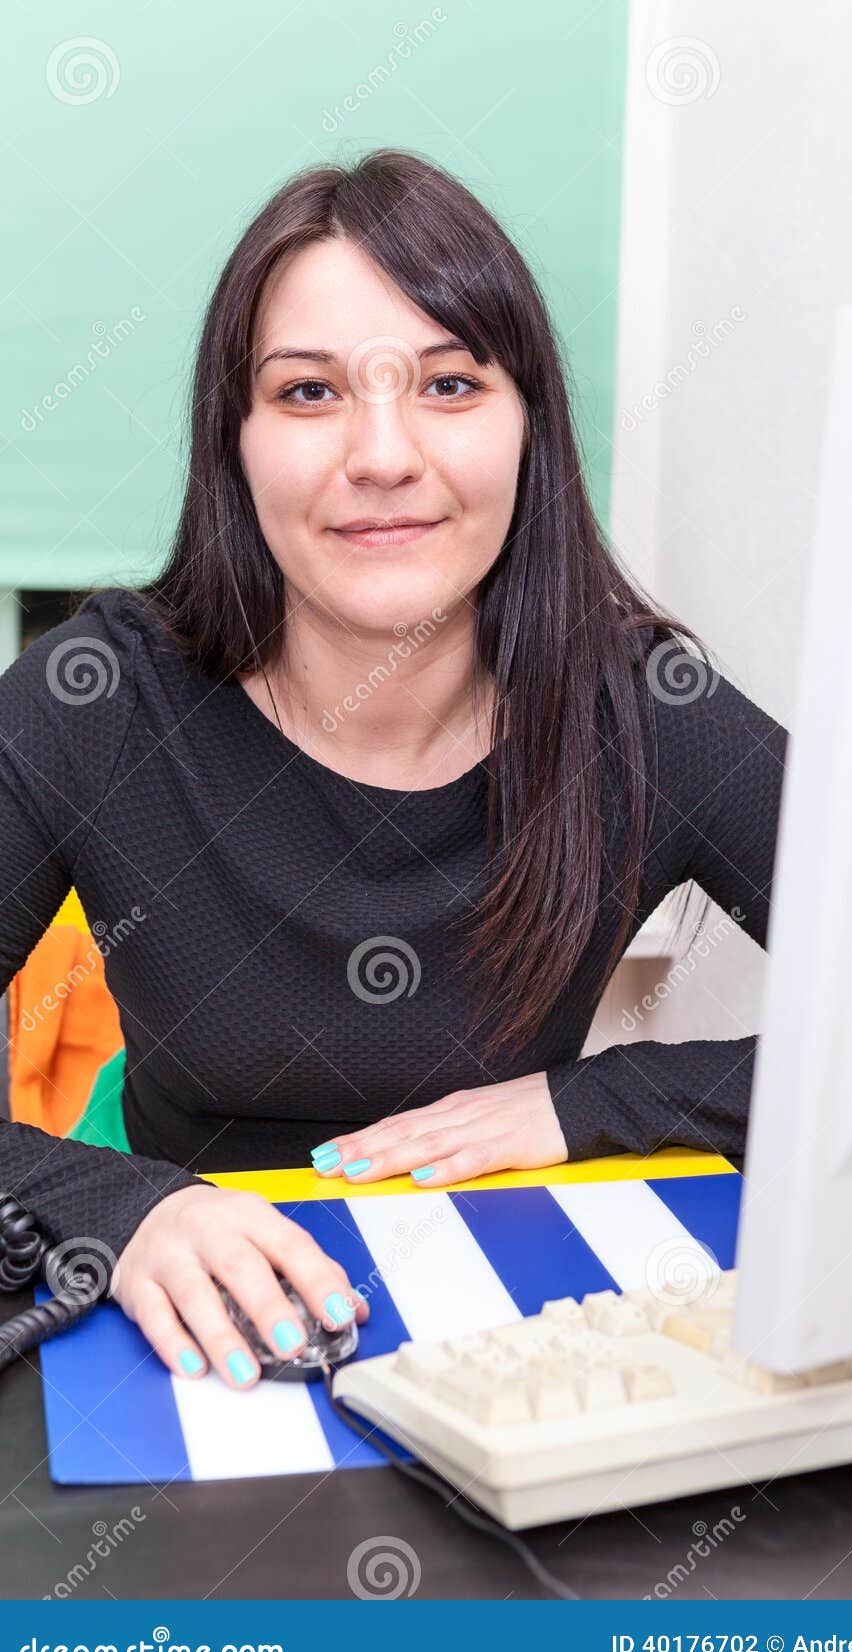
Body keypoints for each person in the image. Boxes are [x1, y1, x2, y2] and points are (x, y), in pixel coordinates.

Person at [0, 149, 786, 1392]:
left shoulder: (644, 711)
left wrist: (592, 1104)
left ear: (529, 426)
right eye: (308, 393)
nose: (382, 454)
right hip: (166, 1309)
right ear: (235, 444)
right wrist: (114, 1201)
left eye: (450, 384)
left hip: (506, 1320)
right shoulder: (96, 700)